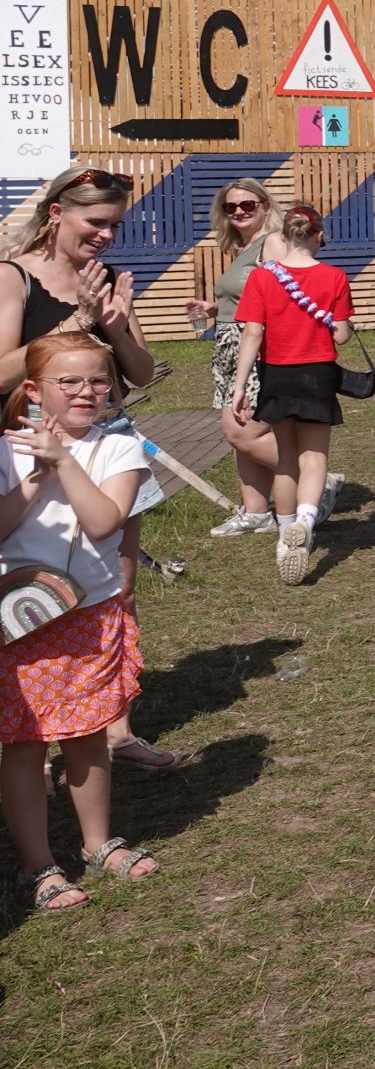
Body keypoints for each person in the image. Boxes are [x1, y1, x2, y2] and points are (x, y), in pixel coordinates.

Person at [0, 166, 169, 772]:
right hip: (33, 449)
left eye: (114, 225)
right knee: (33, 582)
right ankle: (36, 733)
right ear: (55, 214)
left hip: (111, 441)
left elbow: (143, 371)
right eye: (95, 222)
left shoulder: (102, 282)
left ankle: (113, 728)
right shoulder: (14, 278)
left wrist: (115, 324)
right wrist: (77, 323)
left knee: (116, 587)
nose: (105, 236)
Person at [0, 331, 159, 910]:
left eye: (98, 380)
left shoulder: (118, 449)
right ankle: (38, 866)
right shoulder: (4, 451)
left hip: (87, 613)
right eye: (68, 381)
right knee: (22, 744)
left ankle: (97, 843)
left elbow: (103, 523)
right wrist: (38, 472)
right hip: (16, 622)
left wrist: (64, 458)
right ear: (35, 390)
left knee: (88, 735)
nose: (86, 391)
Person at [230, 207, 351, 587]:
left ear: (284, 236)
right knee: (314, 457)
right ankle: (305, 521)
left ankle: (286, 538)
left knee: (285, 459)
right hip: (317, 374)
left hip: (276, 374)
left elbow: (252, 334)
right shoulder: (334, 276)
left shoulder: (262, 278)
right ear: (318, 235)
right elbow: (342, 335)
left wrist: (239, 386)